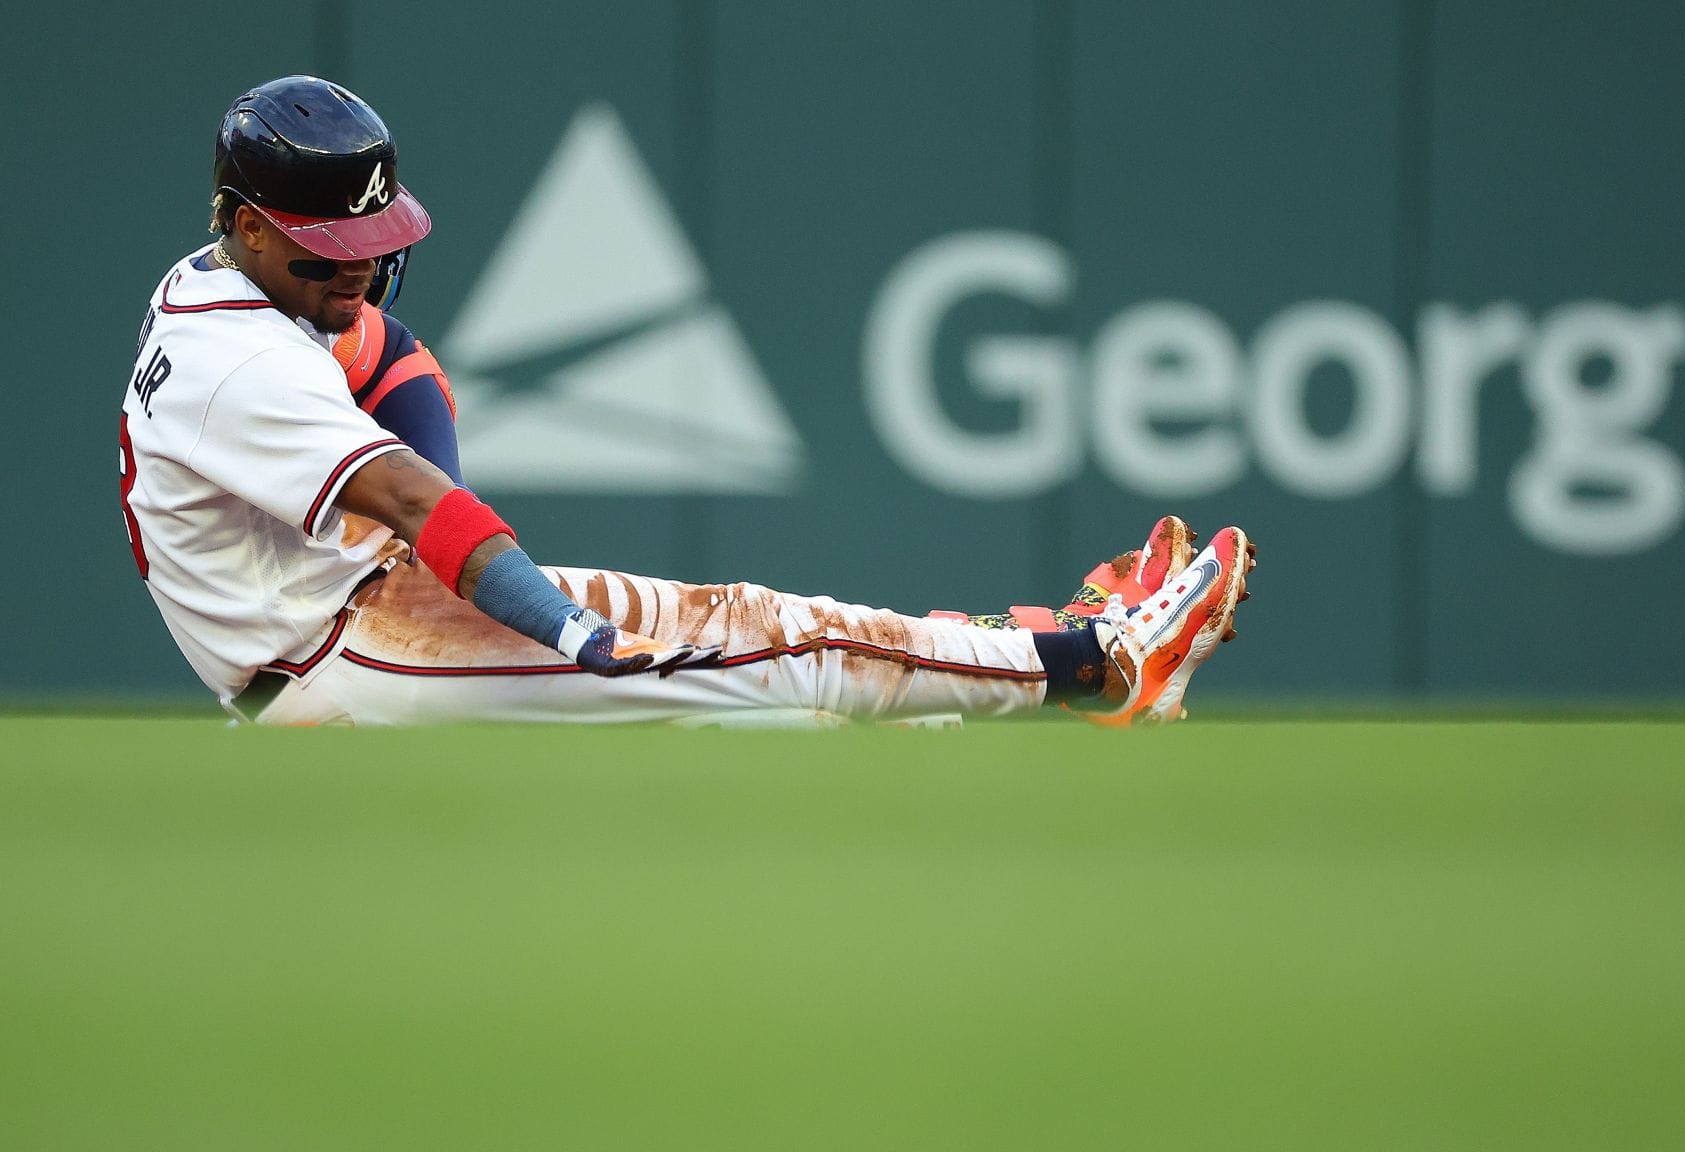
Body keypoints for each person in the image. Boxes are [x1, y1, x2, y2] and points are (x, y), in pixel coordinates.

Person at [118, 75, 1253, 728]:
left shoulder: (230, 280)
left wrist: (456, 526)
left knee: (763, 656)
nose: (359, 267)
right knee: (775, 656)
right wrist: (564, 627)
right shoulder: (242, 362)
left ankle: (1033, 644)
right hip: (348, 665)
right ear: (249, 221)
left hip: (350, 631)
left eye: (372, 242)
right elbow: (418, 501)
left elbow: (392, 356)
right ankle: (1095, 662)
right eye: (334, 250)